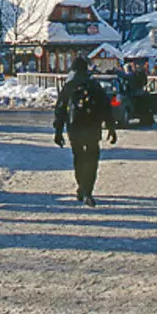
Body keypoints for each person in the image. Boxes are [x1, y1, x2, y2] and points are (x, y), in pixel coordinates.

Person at [53, 57, 117, 206]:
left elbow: (60, 109)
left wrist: (58, 131)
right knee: (92, 158)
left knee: (79, 157)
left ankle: (82, 185)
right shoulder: (94, 85)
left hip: (74, 127)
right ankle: (87, 190)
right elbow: (105, 107)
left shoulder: (69, 86)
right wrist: (111, 127)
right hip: (92, 127)